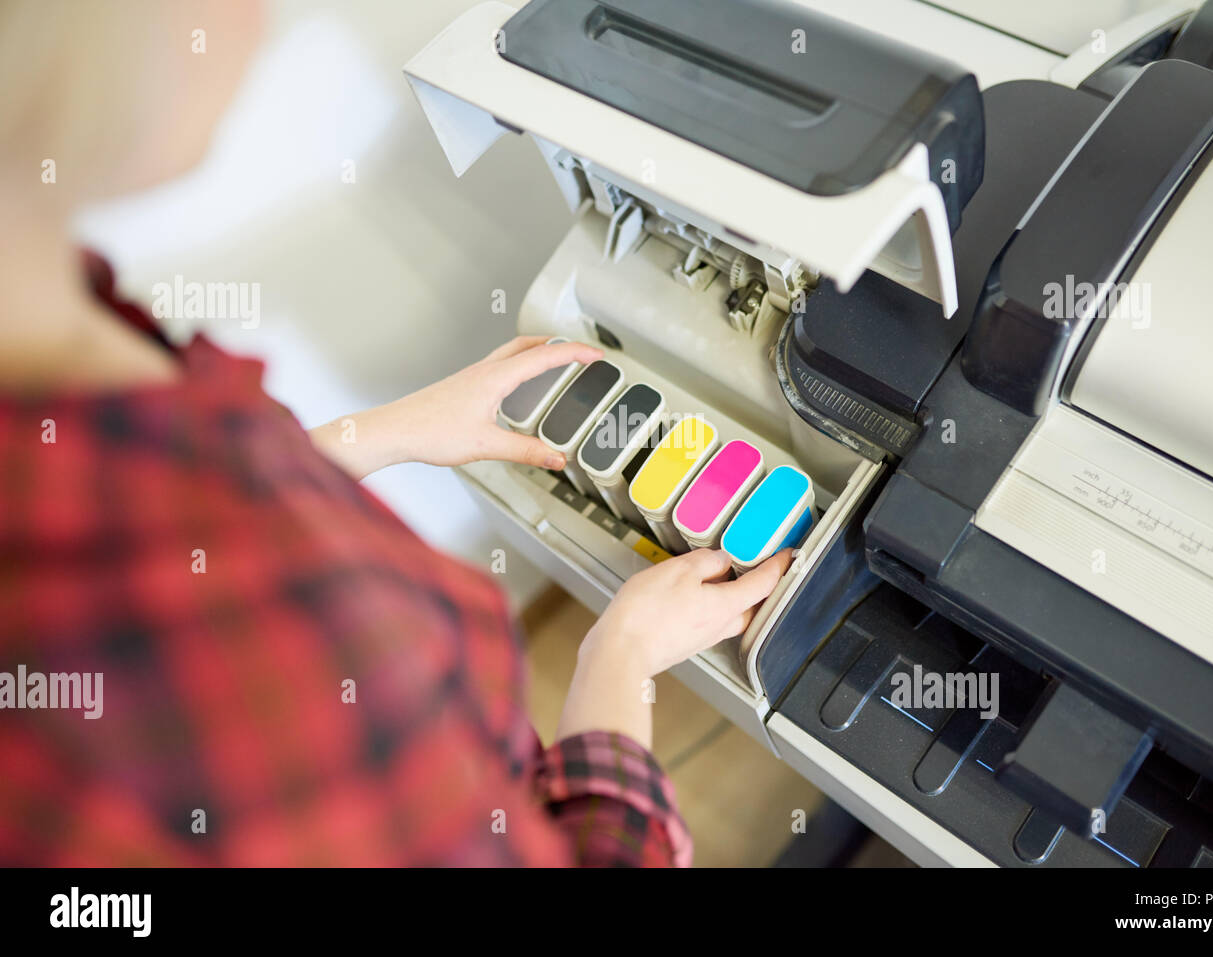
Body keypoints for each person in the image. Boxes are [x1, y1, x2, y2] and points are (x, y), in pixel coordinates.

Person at [0, 0, 791, 866]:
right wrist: (622, 651)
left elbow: (172, 469)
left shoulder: (55, 313)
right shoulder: (239, 642)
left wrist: (386, 431)